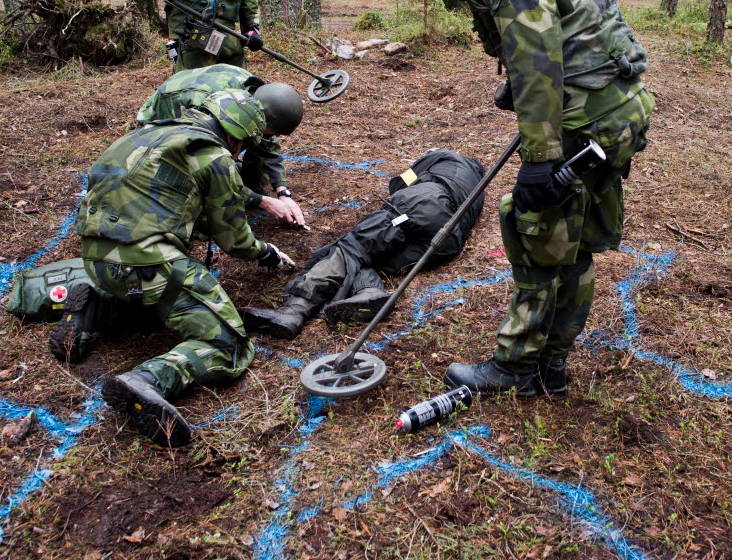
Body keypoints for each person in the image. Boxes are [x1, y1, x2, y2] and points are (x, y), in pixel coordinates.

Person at [391, 0, 655, 397]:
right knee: (571, 243)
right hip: (618, 108)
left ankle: (514, 368)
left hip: (580, 117)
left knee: (533, 229)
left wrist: (540, 156)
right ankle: (551, 366)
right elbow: (573, 16)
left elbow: (536, 54)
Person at [52, 91, 295, 447]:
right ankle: (148, 380)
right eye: (242, 145)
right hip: (148, 264)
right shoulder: (211, 154)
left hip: (96, 260)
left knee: (152, 297)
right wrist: (266, 253)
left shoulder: (139, 135)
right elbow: (234, 238)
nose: (241, 152)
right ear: (234, 134)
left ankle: (94, 307)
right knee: (227, 343)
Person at [242, 149, 487, 339]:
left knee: (351, 247)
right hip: (448, 242)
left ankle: (294, 309)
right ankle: (369, 293)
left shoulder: (442, 157)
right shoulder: (479, 186)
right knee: (370, 256)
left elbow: (400, 184)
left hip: (422, 203)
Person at [136, 65, 307, 228]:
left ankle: (246, 186)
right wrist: (261, 201)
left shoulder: (260, 99)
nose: (276, 136)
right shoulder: (212, 108)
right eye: (275, 131)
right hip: (167, 112)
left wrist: (283, 192)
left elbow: (268, 145)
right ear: (264, 117)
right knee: (191, 180)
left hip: (201, 98)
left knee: (252, 136)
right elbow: (210, 163)